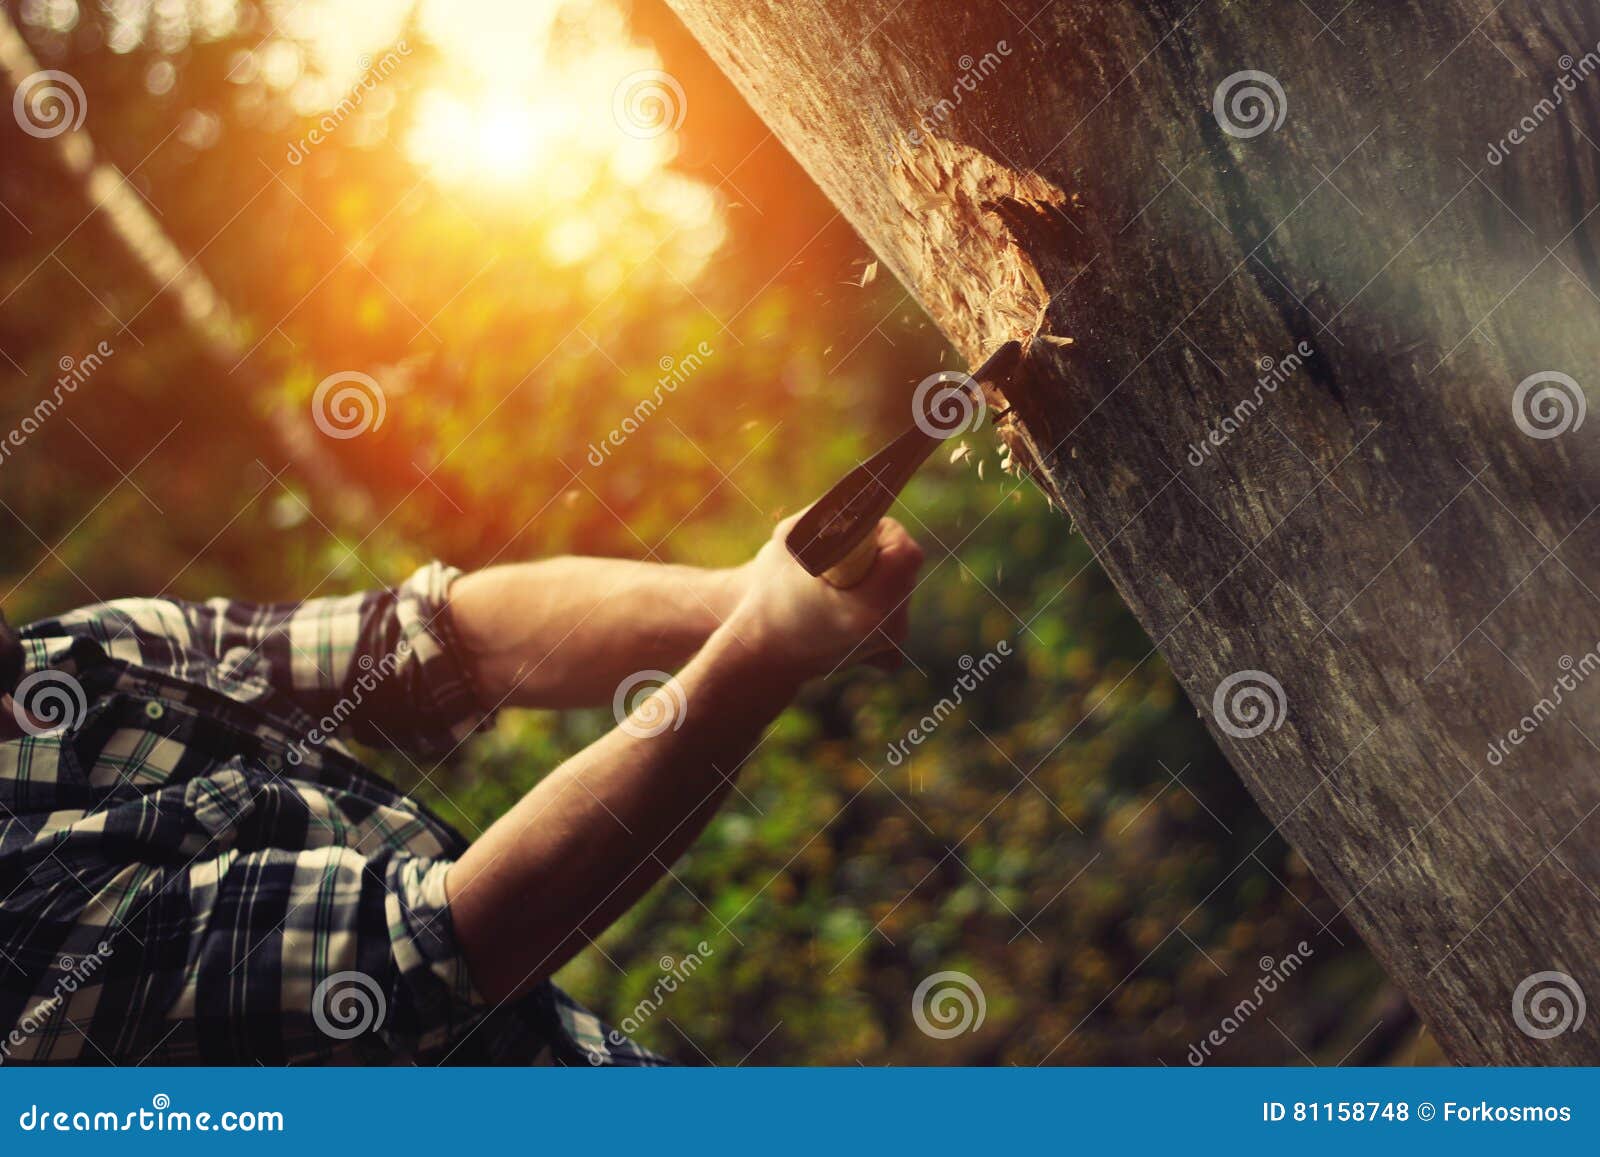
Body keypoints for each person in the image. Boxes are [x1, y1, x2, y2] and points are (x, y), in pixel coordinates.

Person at [0, 514, 924, 1065]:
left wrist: (741, 595)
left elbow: (436, 643)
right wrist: (762, 648)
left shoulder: (89, 651)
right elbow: (445, 944)